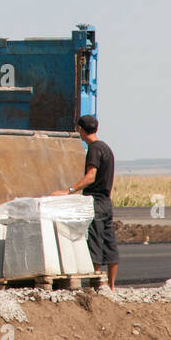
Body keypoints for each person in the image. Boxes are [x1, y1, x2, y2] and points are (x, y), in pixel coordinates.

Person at [52, 114, 118, 289]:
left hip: (94, 202)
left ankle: (95, 285)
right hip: (106, 202)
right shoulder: (107, 148)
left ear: (80, 129)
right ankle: (111, 286)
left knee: (95, 242)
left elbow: (91, 177)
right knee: (109, 243)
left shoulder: (94, 150)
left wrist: (69, 191)